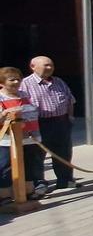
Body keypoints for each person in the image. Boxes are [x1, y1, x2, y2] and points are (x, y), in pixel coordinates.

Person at [20, 56, 76, 191]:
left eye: (51, 65)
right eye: (46, 65)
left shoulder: (59, 81)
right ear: (33, 66)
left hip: (60, 121)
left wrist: (70, 117)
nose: (50, 68)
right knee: (36, 154)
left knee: (63, 152)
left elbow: (70, 100)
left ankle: (65, 180)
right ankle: (39, 183)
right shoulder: (25, 84)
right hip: (38, 123)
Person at [0, 67, 45, 199]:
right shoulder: (1, 97)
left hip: (30, 138)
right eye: (11, 79)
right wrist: (5, 114)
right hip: (8, 140)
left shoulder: (24, 95)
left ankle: (29, 193)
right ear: (2, 83)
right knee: (5, 168)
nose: (16, 82)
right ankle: (5, 197)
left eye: (18, 79)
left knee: (30, 166)